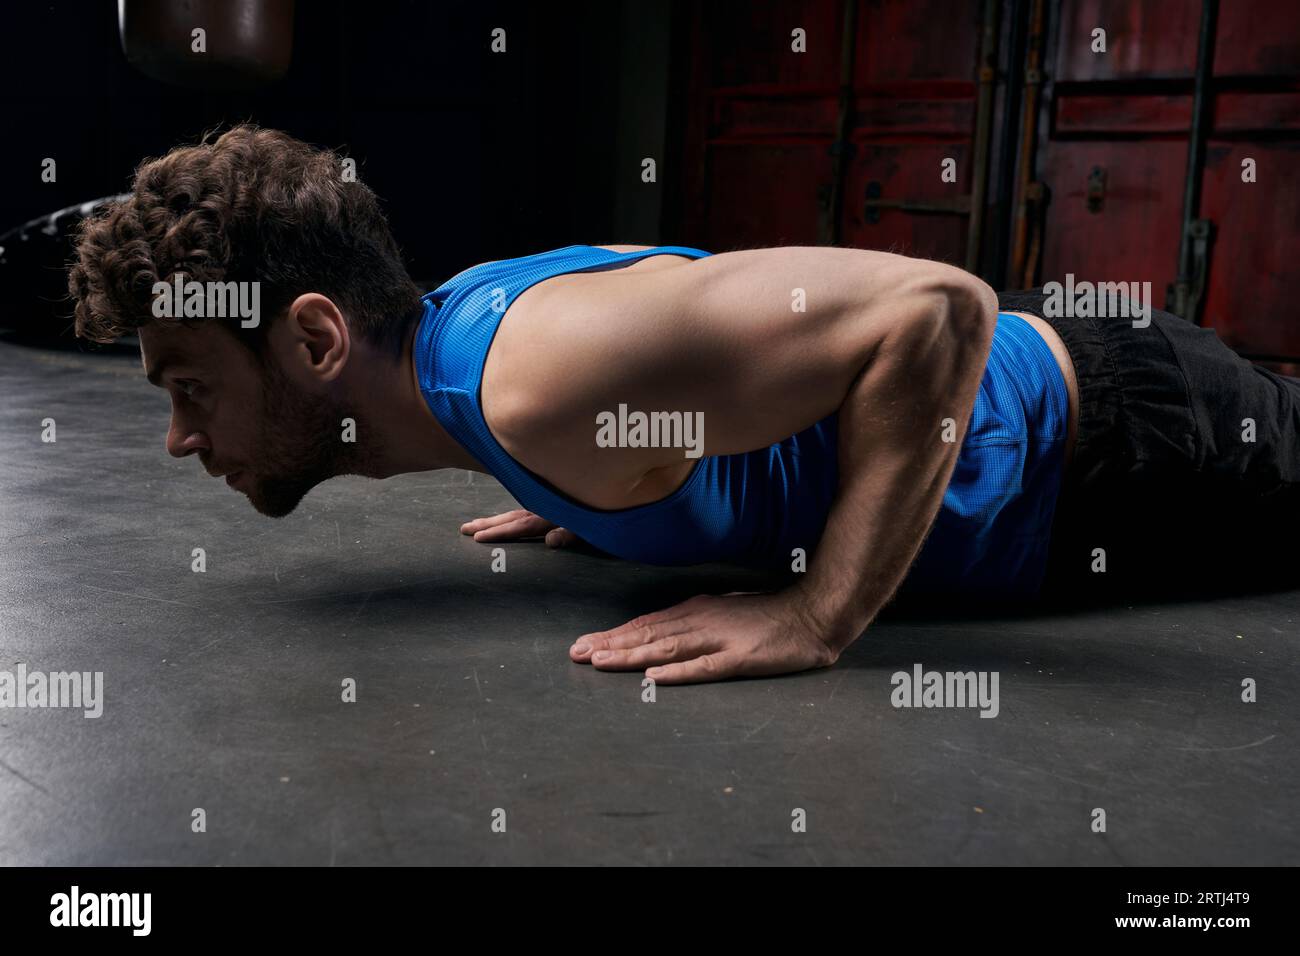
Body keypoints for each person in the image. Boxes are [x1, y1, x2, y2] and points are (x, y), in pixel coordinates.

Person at [68, 125, 1300, 684]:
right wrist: (613, 487)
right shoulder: (475, 363)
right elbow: (683, 315)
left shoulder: (541, 380)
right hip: (1088, 388)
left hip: (1123, 449)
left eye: (191, 390)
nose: (181, 439)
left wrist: (818, 614)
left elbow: (937, 309)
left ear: (316, 336)